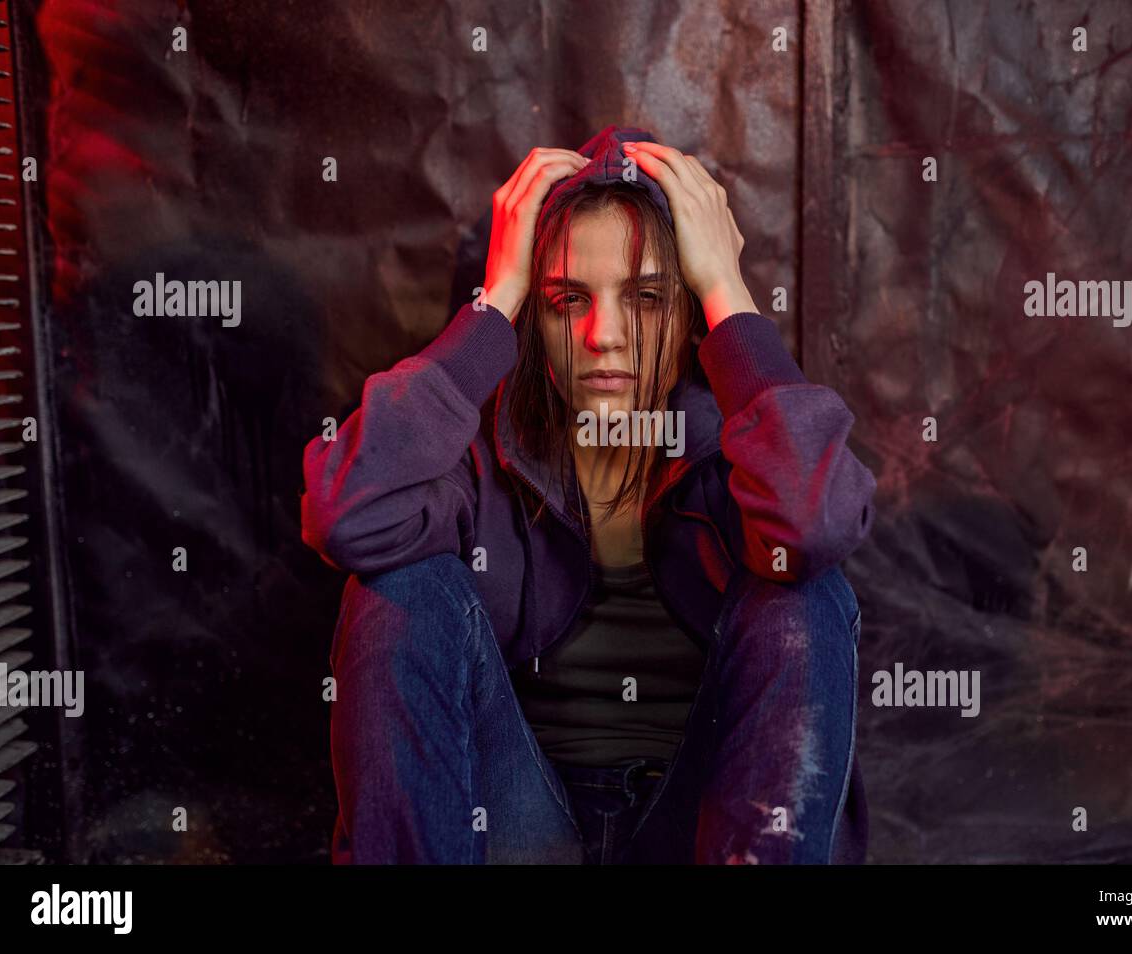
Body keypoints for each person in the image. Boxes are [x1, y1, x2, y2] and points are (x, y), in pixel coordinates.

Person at [300, 125, 878, 864]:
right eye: (567, 299)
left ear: (688, 313)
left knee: (804, 591)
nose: (604, 334)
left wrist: (726, 292)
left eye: (647, 298)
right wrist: (496, 298)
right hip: (518, 828)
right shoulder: (472, 450)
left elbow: (815, 526)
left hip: (695, 833)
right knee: (395, 588)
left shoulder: (742, 447)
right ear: (535, 319)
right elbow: (344, 517)